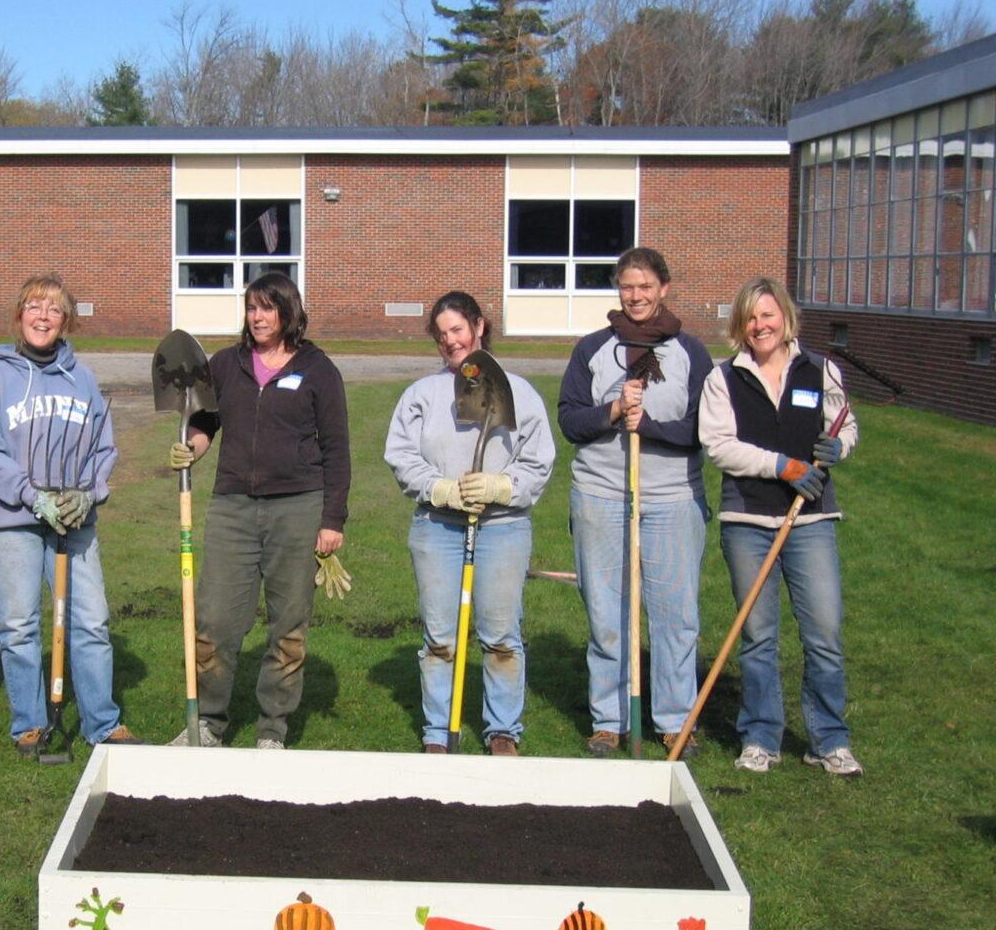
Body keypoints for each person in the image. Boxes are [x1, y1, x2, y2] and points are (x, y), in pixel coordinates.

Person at [168, 271, 350, 750]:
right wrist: (192, 446)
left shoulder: (317, 370)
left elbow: (337, 449)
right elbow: (207, 419)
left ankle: (273, 728)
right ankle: (207, 724)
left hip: (298, 508)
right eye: (252, 308)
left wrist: (333, 520)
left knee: (288, 625)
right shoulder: (226, 364)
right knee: (214, 622)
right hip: (232, 508)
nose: (258, 317)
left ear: (288, 312)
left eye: (267, 308)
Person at [0, 274, 139, 754]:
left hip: (73, 519)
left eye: (54, 310)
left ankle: (101, 723)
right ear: (19, 315)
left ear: (67, 321)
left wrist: (87, 493)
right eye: (34, 307)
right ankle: (30, 724)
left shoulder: (81, 379)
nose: (43, 317)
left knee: (91, 620)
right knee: (20, 624)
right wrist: (29, 494)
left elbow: (102, 448)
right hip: (11, 521)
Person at [699, 277, 862, 776]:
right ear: (739, 325)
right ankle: (761, 737)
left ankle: (829, 740)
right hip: (748, 520)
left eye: (767, 315)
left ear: (785, 318)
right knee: (759, 635)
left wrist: (841, 447)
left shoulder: (820, 370)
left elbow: (844, 426)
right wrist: (782, 466)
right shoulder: (723, 378)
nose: (759, 326)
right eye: (750, 318)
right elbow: (718, 444)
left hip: (809, 519)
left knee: (824, 632)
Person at [557, 247, 712, 759]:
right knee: (607, 611)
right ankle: (610, 719)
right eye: (627, 285)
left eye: (645, 286)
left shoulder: (690, 351)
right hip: (601, 495)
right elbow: (571, 422)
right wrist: (616, 409)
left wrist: (651, 427)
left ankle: (672, 720)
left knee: (674, 613)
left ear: (664, 288)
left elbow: (705, 429)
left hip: (671, 499)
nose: (636, 295)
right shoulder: (593, 349)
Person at [385, 291, 555, 756]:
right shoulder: (422, 394)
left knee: (500, 636)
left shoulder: (516, 391)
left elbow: (538, 461)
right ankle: (439, 732)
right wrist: (437, 488)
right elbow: (401, 454)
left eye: (457, 329)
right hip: (437, 527)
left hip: (502, 527)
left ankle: (503, 731)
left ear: (479, 326)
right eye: (441, 335)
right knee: (440, 637)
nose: (450, 341)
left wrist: (502, 486)